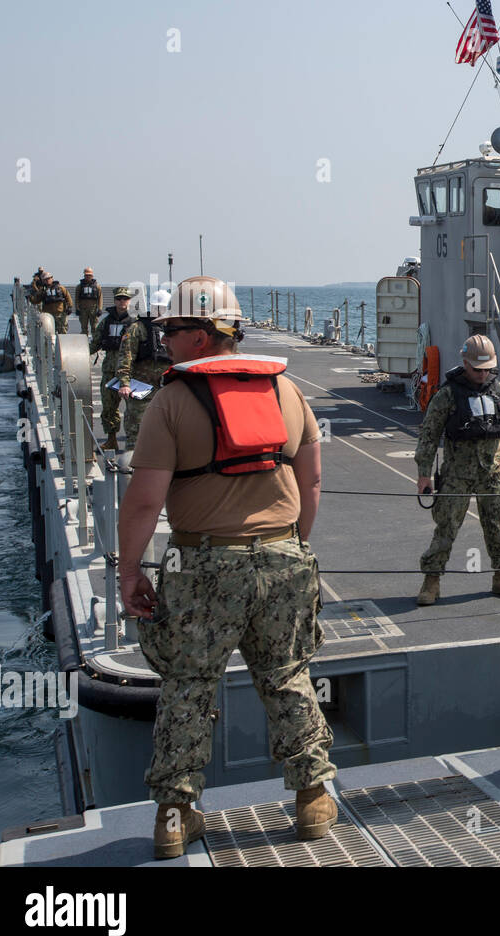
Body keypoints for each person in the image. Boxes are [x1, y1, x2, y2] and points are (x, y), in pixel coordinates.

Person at [118, 275, 337, 858]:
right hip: (284, 556)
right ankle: (313, 797)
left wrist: (129, 572)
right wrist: (294, 546)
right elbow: (310, 480)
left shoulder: (168, 402)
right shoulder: (287, 393)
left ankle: (174, 814)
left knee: (188, 685)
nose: (162, 339)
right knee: (287, 675)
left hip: (202, 563)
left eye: (171, 329)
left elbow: (143, 501)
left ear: (202, 336)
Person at [414, 334, 500, 605]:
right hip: (457, 474)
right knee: (446, 529)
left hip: (493, 473)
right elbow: (429, 434)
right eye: (477, 369)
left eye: (487, 369)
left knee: (497, 527)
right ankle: (432, 580)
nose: (482, 374)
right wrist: (424, 474)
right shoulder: (447, 396)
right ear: (465, 364)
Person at [115, 300, 173, 447]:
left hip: (168, 387)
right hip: (142, 387)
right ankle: (132, 460)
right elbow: (126, 356)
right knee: (137, 427)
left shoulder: (173, 329)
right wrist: (124, 383)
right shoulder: (137, 328)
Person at [89, 286, 138, 450]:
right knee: (109, 407)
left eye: (125, 298)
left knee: (134, 409)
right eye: (119, 298)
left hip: (131, 371)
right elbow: (95, 343)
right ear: (115, 300)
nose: (122, 301)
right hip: (110, 370)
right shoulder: (106, 322)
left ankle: (134, 442)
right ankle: (111, 439)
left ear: (129, 301)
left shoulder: (134, 323)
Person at [75, 267, 103, 338]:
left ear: (92, 276)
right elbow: (77, 298)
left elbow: (100, 298)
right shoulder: (79, 286)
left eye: (89, 275)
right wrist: (77, 308)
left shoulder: (97, 286)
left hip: (93, 309)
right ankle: (84, 342)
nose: (88, 277)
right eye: (86, 275)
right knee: (84, 327)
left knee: (94, 327)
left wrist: (100, 309)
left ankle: (95, 342)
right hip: (83, 309)